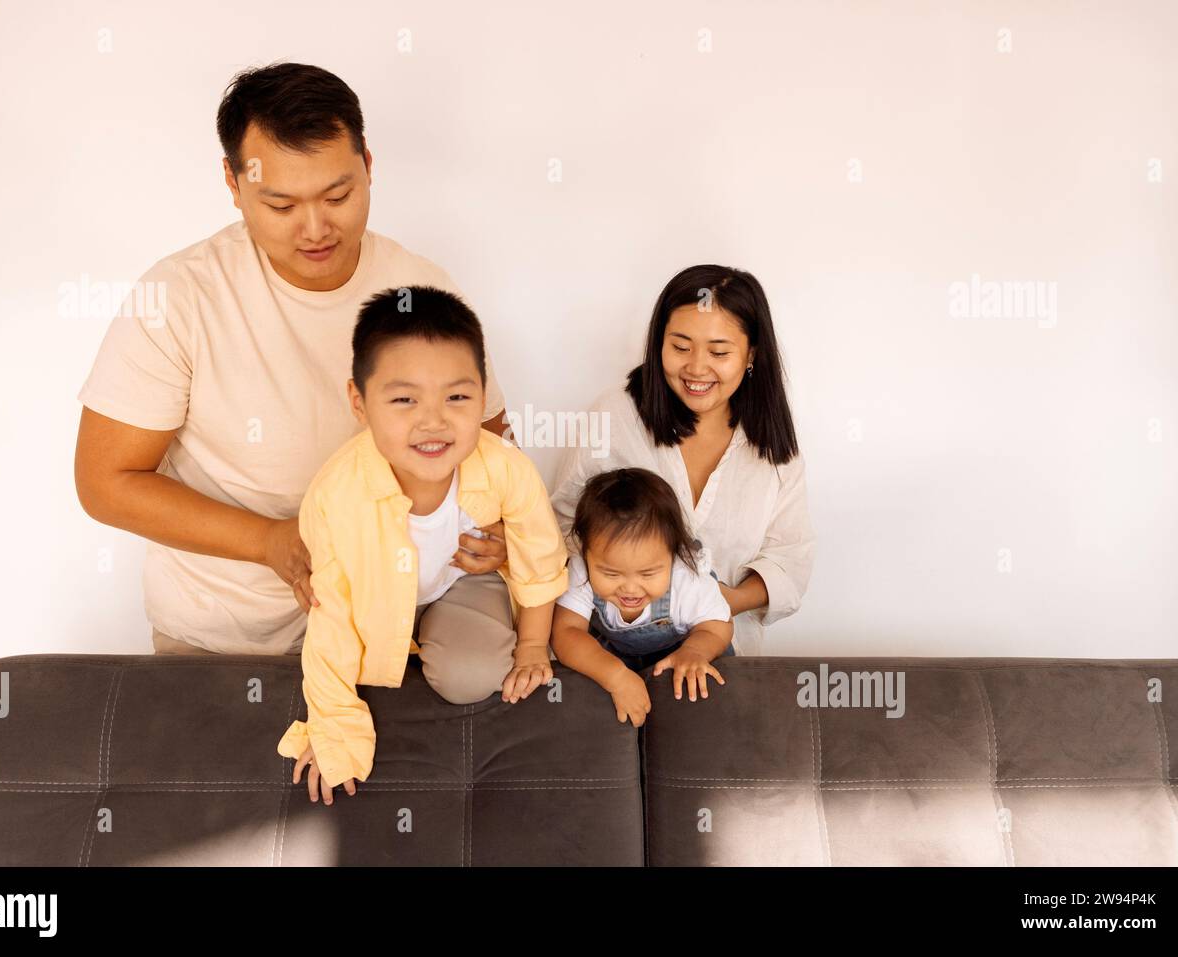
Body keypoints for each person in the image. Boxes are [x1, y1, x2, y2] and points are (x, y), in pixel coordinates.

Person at [74, 63, 510, 655]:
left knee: (469, 674)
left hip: (389, 618)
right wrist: (270, 541)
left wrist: (505, 527)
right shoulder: (178, 297)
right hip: (225, 630)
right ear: (233, 182)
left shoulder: (420, 289)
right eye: (280, 205)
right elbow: (105, 483)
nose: (315, 229)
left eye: (339, 195)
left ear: (369, 166)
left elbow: (488, 441)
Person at [278, 286, 568, 804]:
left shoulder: (505, 467)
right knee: (350, 661)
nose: (434, 422)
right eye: (404, 399)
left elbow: (539, 558)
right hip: (371, 602)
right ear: (359, 402)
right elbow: (331, 617)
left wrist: (530, 647)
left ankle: (436, 637)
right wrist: (331, 730)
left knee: (472, 675)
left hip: (459, 583)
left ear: (484, 396)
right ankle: (399, 644)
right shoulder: (336, 494)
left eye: (457, 397)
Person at [550, 264, 814, 655]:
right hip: (606, 646)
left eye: (719, 352)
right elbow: (564, 529)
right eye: (680, 346)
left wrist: (712, 602)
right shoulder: (616, 416)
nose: (696, 367)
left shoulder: (771, 444)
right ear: (659, 344)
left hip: (720, 648)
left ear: (751, 353)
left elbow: (789, 559)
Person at [551, 468, 733, 727]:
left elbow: (719, 625)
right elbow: (566, 632)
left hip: (683, 657)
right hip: (614, 659)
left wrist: (695, 651)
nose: (631, 589)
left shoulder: (688, 577)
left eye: (648, 574)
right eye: (611, 573)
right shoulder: (581, 570)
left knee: (701, 708)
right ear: (587, 552)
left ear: (673, 554)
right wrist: (614, 676)